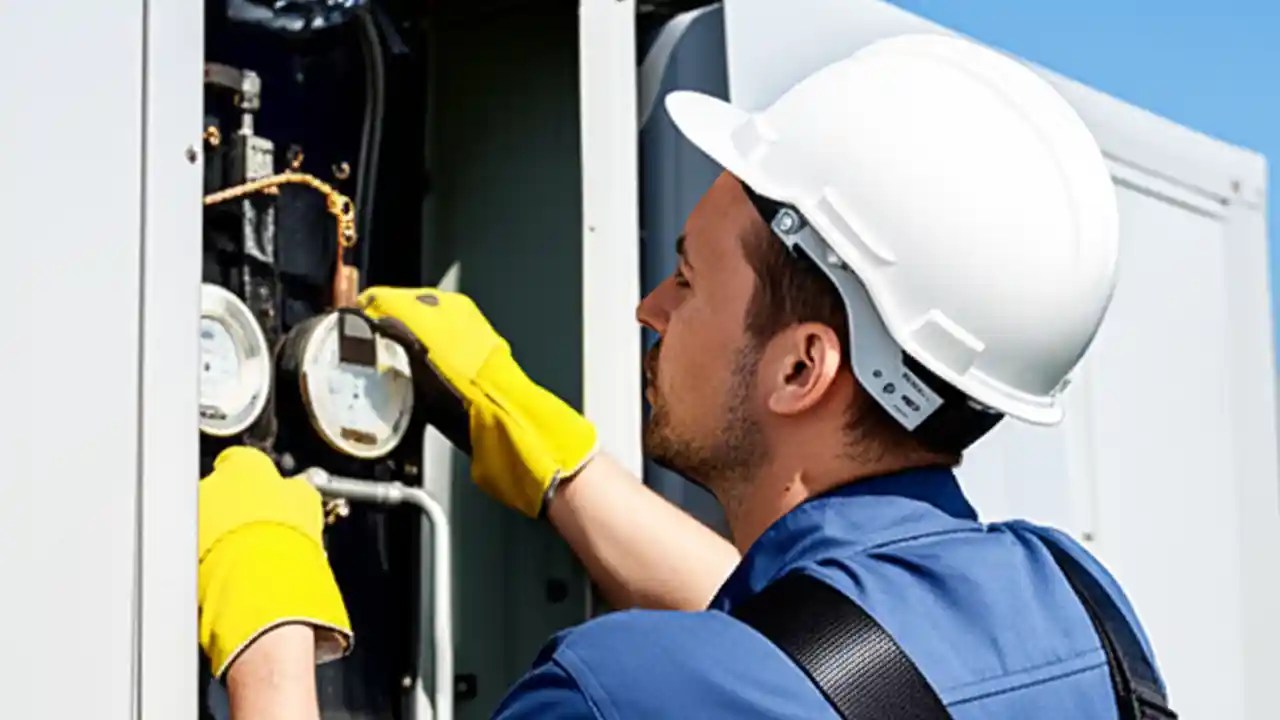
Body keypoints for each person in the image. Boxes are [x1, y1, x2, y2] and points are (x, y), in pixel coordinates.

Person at [197, 33, 1169, 719]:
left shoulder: (619, 692)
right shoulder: (1078, 607)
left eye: (686, 278)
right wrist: (555, 459)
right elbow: (832, 661)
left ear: (800, 367)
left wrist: (271, 641)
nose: (647, 310)